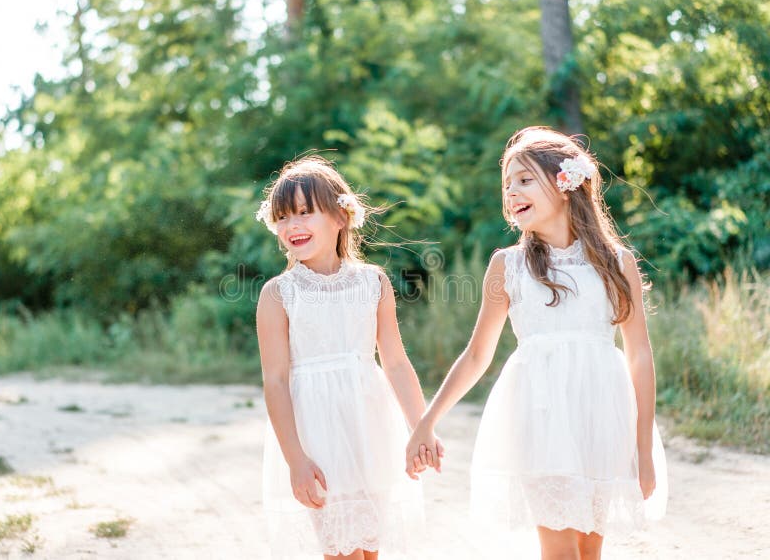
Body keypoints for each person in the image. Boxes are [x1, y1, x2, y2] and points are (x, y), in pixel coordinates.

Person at [406, 127, 667, 559]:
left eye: (524, 180)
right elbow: (477, 355)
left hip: (603, 417)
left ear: (565, 184)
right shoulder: (507, 266)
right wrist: (426, 421)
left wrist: (642, 447)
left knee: (588, 551)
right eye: (507, 184)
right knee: (560, 551)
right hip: (541, 418)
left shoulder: (617, 264)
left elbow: (639, 355)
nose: (511, 193)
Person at [257, 156, 435, 560]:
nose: (292, 226)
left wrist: (421, 427)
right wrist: (295, 459)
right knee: (340, 551)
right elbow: (276, 382)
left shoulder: (373, 283)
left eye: (305, 213)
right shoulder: (278, 294)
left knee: (369, 549)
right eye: (282, 217)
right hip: (315, 435)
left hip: (370, 428)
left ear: (341, 216)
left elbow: (395, 363)